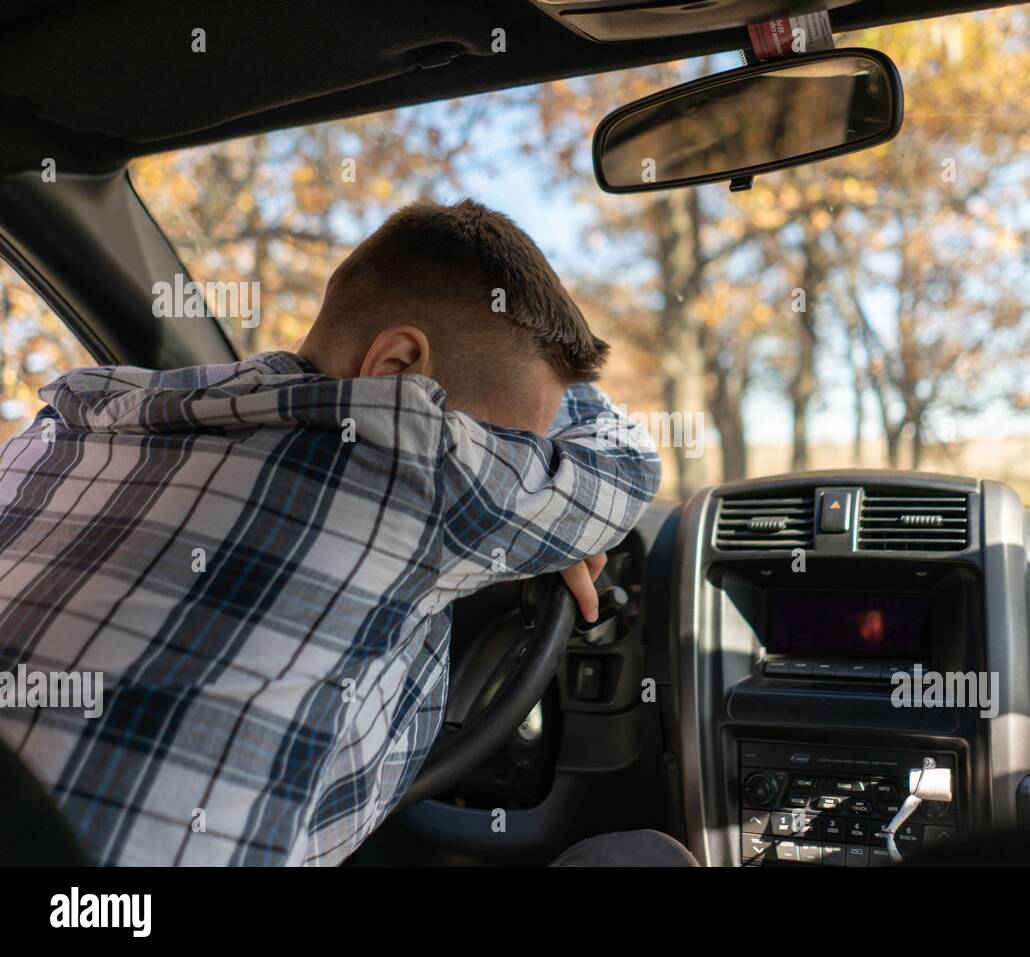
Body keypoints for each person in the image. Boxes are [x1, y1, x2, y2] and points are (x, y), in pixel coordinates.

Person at [0, 199, 691, 866]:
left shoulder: (60, 430)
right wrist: (550, 511)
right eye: (515, 443)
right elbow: (625, 464)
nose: (522, 465)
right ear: (394, 370)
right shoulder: (414, 453)